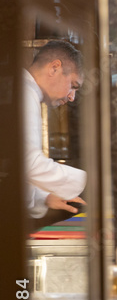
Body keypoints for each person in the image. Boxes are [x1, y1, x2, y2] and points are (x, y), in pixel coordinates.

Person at [23, 40, 87, 227]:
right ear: (54, 68)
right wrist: (90, 182)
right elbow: (29, 163)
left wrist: (44, 198)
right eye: (73, 85)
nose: (71, 96)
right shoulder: (24, 94)